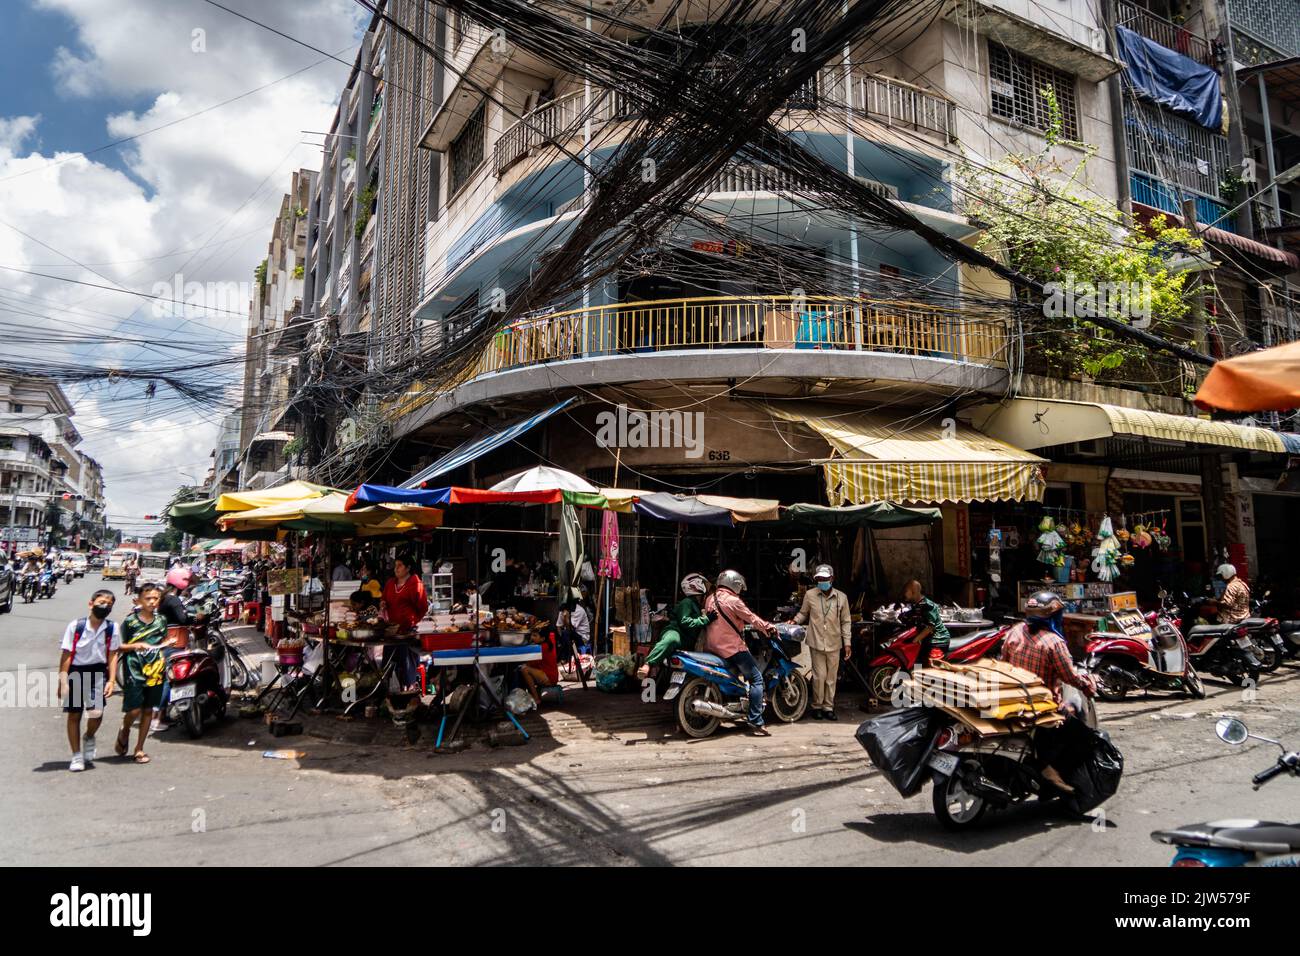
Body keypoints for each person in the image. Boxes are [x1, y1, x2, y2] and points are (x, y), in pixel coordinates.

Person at [1000, 590, 1098, 793]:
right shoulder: (1054, 643)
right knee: (1080, 726)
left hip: (1012, 700)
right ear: (1054, 617)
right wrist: (1088, 685)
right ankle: (1048, 769)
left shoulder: (1015, 632)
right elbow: (1070, 677)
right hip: (1042, 707)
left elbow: (1003, 663)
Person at [703, 569, 778, 735]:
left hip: (711, 647)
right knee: (756, 678)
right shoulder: (734, 601)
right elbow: (751, 618)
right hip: (732, 649)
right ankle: (756, 720)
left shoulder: (709, 599)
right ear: (735, 584)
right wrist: (768, 627)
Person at [59, 590, 120, 772]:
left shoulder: (112, 628)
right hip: (76, 672)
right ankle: (77, 755)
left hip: (98, 673)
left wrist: (111, 680)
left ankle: (89, 736)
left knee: (96, 712)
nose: (105, 606)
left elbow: (113, 655)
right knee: (74, 714)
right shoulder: (76, 626)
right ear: (91, 603)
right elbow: (67, 654)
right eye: (101, 602)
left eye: (109, 604)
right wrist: (62, 681)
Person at [115, 583, 171, 764]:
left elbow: (161, 640)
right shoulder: (130, 622)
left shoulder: (161, 620)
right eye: (148, 598)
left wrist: (168, 644)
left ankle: (139, 748)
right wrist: (135, 646)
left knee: (148, 710)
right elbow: (117, 647)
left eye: (156, 598)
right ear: (139, 600)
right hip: (134, 668)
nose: (152, 602)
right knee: (134, 710)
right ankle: (125, 729)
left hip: (155, 669)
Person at [792, 564, 852, 720]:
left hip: (834, 643)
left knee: (831, 678)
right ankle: (817, 706)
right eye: (819, 579)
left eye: (825, 579)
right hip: (816, 642)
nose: (822, 582)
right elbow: (803, 613)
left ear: (831, 579)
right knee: (819, 677)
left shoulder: (842, 597)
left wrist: (847, 643)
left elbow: (846, 622)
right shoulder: (810, 595)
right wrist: (794, 621)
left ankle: (828, 707)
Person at [637, 573, 710, 680]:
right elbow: (685, 621)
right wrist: (705, 619)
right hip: (676, 631)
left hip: (688, 639)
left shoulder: (698, 605)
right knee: (671, 640)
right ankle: (648, 663)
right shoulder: (687, 602)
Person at [381, 554, 426, 692]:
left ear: (408, 568)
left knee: (407, 662)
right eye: (396, 565)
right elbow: (384, 599)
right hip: (392, 631)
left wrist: (413, 621)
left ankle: (409, 690)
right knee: (388, 663)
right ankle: (385, 690)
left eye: (400, 565)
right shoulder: (390, 583)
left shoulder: (415, 584)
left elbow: (423, 607)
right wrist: (382, 603)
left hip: (408, 632)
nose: (396, 568)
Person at [903, 579, 950, 664]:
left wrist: (914, 640)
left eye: (906, 591)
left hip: (937, 640)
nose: (904, 594)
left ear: (913, 591)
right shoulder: (917, 604)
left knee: (921, 663)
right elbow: (910, 616)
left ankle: (922, 676)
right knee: (916, 662)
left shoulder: (927, 605)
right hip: (926, 639)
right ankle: (918, 676)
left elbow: (929, 627)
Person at [521, 628, 561, 706]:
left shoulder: (543, 647)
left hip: (549, 677)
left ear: (542, 638)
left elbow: (532, 663)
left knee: (524, 669)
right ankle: (533, 696)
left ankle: (536, 698)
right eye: (532, 635)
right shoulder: (543, 645)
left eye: (535, 636)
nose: (532, 638)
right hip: (546, 674)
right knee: (525, 668)